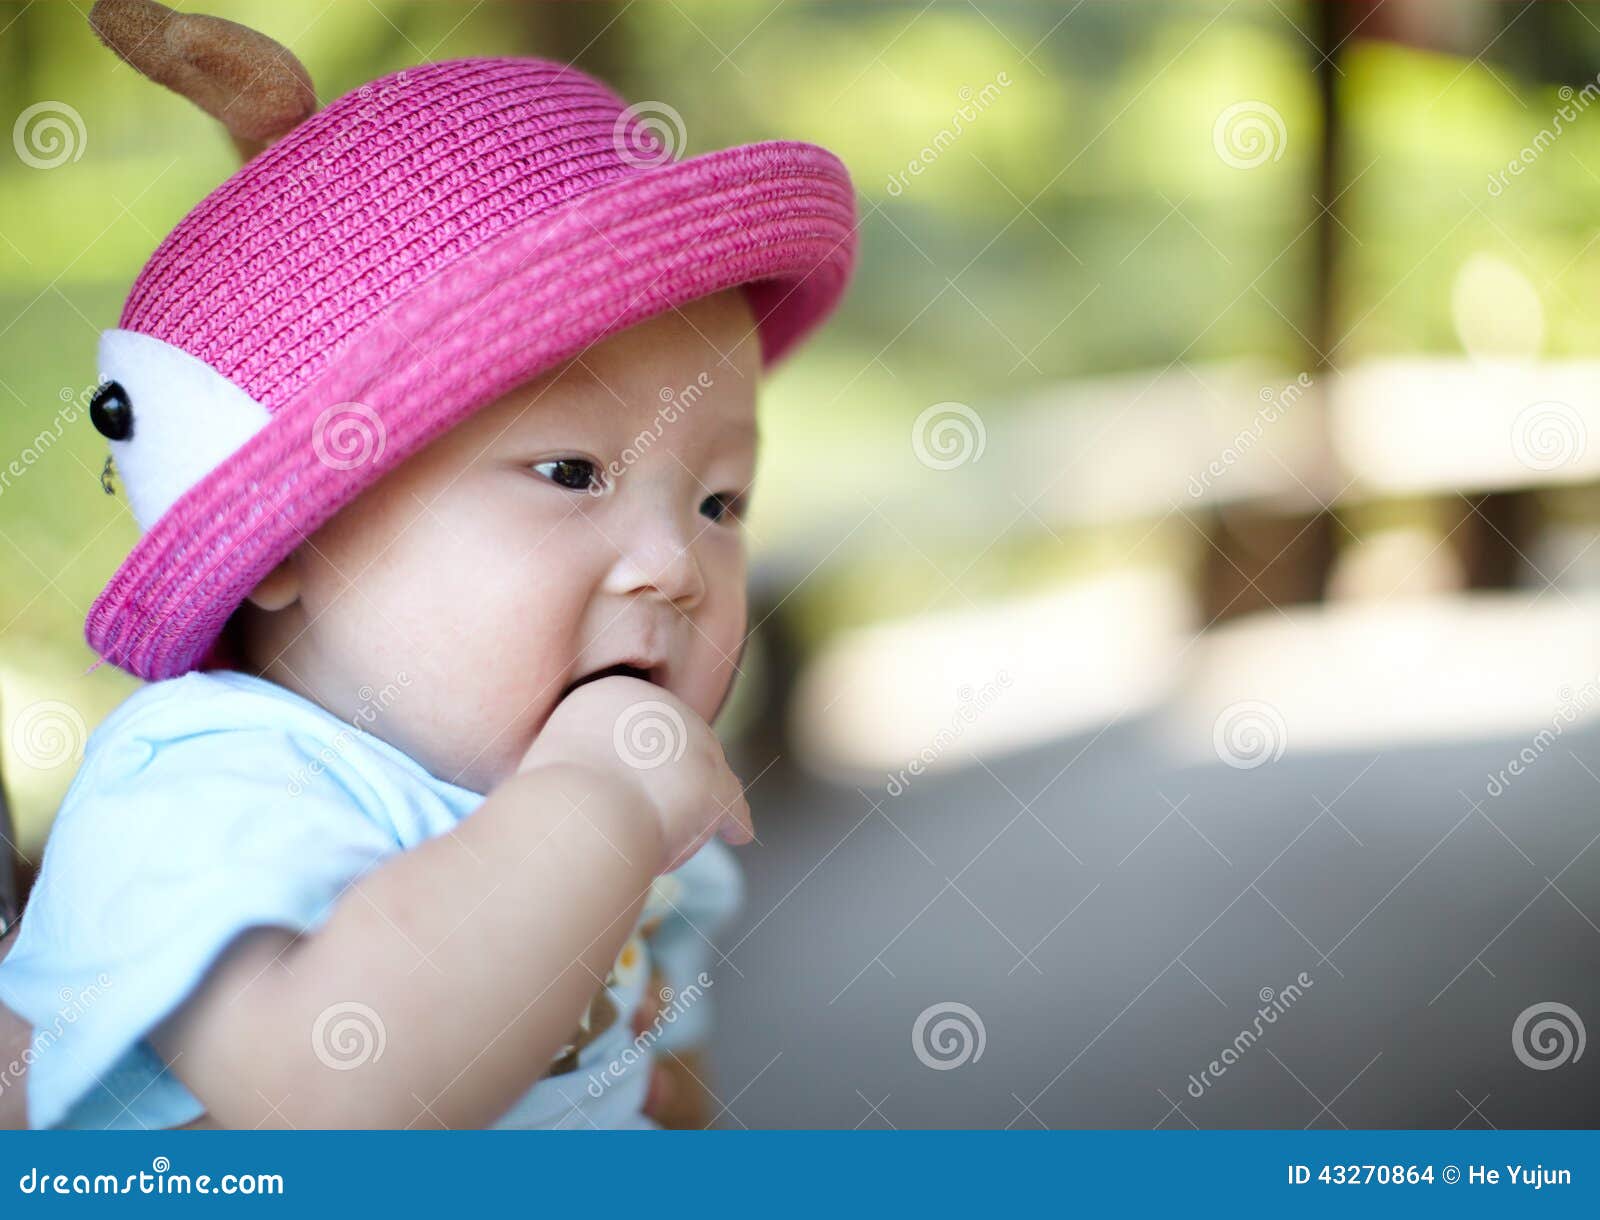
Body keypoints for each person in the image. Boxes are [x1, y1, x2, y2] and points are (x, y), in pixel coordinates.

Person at [0, 7, 854, 1130]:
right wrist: (592, 808)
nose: (673, 565)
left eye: (719, 502)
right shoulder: (211, 784)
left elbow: (668, 1088)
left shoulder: (639, 808)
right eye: (570, 471)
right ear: (288, 539)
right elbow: (327, 1102)